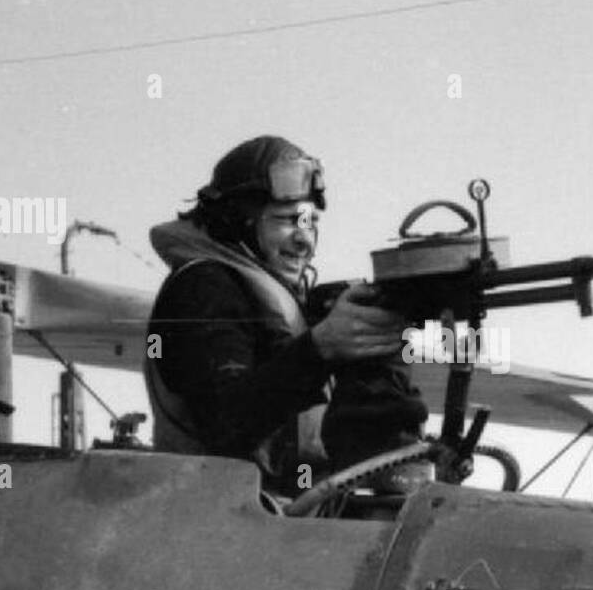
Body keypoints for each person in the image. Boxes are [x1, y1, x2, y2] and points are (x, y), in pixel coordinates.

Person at [143, 135, 427, 496]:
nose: (304, 239)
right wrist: (320, 348)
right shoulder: (203, 288)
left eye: (310, 222)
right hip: (210, 514)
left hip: (279, 515)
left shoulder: (275, 299)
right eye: (288, 220)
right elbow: (225, 421)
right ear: (237, 221)